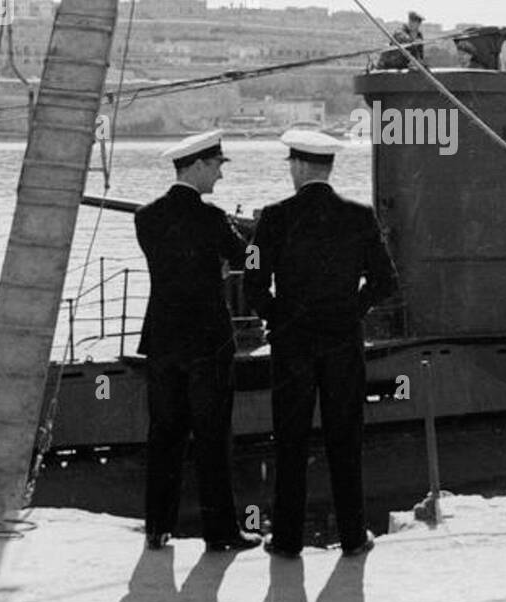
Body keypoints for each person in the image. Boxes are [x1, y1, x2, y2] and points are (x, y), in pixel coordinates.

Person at [243, 128, 399, 559]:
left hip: (292, 347)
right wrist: (353, 309)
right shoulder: (360, 216)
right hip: (342, 344)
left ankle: (287, 539)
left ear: (297, 165)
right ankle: (352, 535)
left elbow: (253, 280)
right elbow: (386, 280)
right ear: (327, 167)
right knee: (344, 440)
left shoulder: (273, 218)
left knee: (290, 440)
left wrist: (281, 318)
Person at [135, 130, 261, 552]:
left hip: (163, 340)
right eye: (217, 167)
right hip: (208, 341)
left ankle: (157, 527)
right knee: (212, 437)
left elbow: (174, 263)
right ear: (198, 165)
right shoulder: (212, 218)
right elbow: (248, 258)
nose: (220, 178)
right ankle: (221, 532)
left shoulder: (146, 217)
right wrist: (254, 239)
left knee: (164, 434)